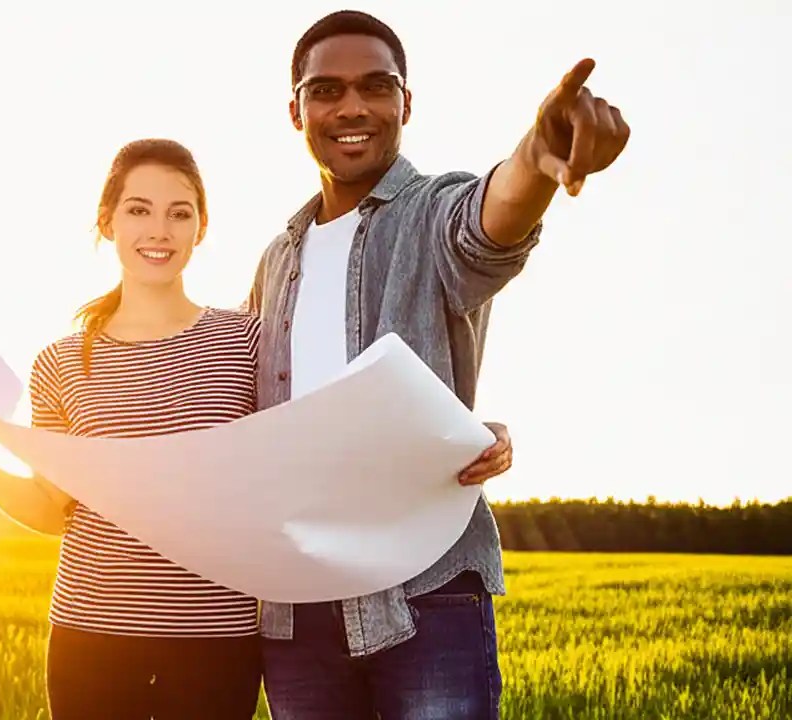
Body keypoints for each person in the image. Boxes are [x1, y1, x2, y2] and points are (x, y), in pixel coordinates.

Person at [0, 138, 517, 719]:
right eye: (138, 209)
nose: (158, 230)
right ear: (107, 221)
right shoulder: (60, 363)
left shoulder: (247, 341)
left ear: (200, 228)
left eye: (178, 213)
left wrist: (459, 432)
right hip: (91, 634)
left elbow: (337, 422)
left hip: (218, 636)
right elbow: (49, 507)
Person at [247, 10, 630, 720]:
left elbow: (490, 221)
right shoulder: (278, 259)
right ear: (295, 109)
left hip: (424, 594)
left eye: (375, 86)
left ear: (406, 103)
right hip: (299, 607)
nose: (352, 107)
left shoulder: (430, 214)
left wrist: (539, 154)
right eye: (326, 90)